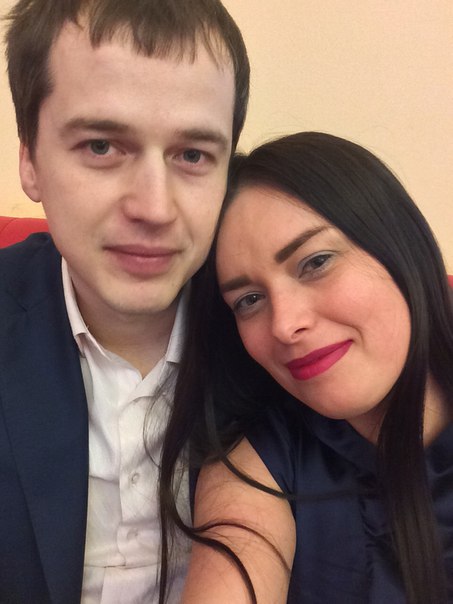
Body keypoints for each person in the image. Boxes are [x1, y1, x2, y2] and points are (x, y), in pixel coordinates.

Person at [0, 1, 249, 602]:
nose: (155, 209)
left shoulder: (279, 333)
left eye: (193, 155)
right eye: (102, 146)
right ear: (30, 160)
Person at [165, 132, 453, 603]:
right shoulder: (257, 457)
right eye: (249, 300)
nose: (284, 325)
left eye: (315, 262)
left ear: (400, 245)